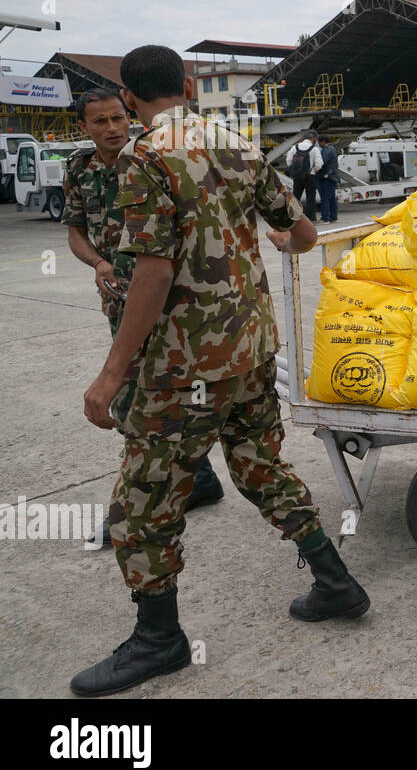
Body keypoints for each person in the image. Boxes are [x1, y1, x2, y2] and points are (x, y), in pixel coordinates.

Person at [71, 46, 369, 697]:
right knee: (262, 467)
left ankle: (159, 639)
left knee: (143, 504)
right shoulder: (239, 143)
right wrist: (275, 243)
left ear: (128, 98)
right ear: (190, 83)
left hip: (181, 364)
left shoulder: (143, 158)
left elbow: (150, 271)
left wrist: (112, 372)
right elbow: (304, 233)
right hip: (252, 350)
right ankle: (335, 581)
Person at [63, 88, 224, 548]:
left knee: (177, 395)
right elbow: (75, 231)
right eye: (100, 122)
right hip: (123, 306)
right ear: (84, 127)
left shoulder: (151, 156)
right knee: (135, 398)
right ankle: (184, 487)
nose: (113, 128)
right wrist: (98, 262)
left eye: (118, 118)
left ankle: (144, 505)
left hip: (176, 301)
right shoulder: (78, 169)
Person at [286, 136, 320, 220]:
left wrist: (295, 170)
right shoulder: (314, 149)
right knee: (311, 197)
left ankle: (294, 216)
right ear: (312, 139)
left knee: (296, 196)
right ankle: (311, 217)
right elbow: (319, 163)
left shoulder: (295, 147)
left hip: (297, 176)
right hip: (310, 176)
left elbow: (288, 161)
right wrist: (314, 171)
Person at [315, 136, 340, 223]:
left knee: (325, 198)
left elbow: (322, 162)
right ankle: (333, 217)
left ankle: (325, 218)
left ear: (323, 142)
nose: (319, 145)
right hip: (332, 177)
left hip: (326, 177)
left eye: (319, 143)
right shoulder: (332, 148)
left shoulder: (327, 150)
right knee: (332, 198)